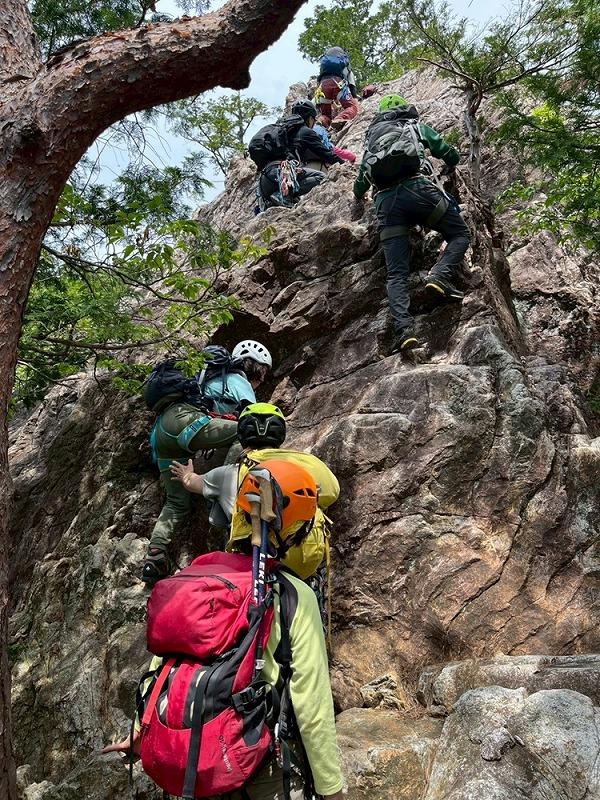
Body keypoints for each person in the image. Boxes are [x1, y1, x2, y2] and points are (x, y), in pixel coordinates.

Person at [103, 462, 345, 800]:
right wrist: (331, 788)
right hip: (257, 762)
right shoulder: (292, 594)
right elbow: (312, 703)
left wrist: (141, 731)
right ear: (294, 530)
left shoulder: (198, 573)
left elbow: (168, 659)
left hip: (193, 754)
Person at [141, 341, 273, 586]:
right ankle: (231, 483)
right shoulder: (238, 379)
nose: (263, 379)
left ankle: (155, 555)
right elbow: (253, 417)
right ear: (256, 368)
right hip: (187, 421)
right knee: (250, 432)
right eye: (263, 372)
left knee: (176, 502)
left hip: (163, 433)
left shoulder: (206, 380)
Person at [353, 94, 471, 352]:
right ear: (404, 109)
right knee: (460, 234)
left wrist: (358, 195)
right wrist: (453, 160)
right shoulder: (413, 126)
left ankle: (405, 331)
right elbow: (444, 150)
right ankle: (439, 275)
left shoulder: (372, 140)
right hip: (418, 191)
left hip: (386, 204)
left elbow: (361, 183)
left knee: (396, 273)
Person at [170, 402, 339, 581]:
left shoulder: (228, 474)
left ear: (242, 435)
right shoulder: (305, 465)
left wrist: (186, 474)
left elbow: (193, 483)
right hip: (302, 560)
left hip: (253, 563)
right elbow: (332, 493)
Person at [258, 101, 343, 209]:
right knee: (321, 177)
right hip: (282, 176)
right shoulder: (305, 131)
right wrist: (345, 165)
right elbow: (327, 154)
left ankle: (281, 197)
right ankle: (282, 195)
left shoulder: (282, 131)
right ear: (310, 118)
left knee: (294, 202)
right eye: (314, 119)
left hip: (265, 181)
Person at [315, 46, 359, 129]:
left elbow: (320, 80)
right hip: (337, 83)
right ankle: (339, 119)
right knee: (352, 108)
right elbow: (351, 84)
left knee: (326, 114)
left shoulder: (324, 64)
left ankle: (322, 120)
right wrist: (356, 103)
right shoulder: (344, 62)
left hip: (322, 86)